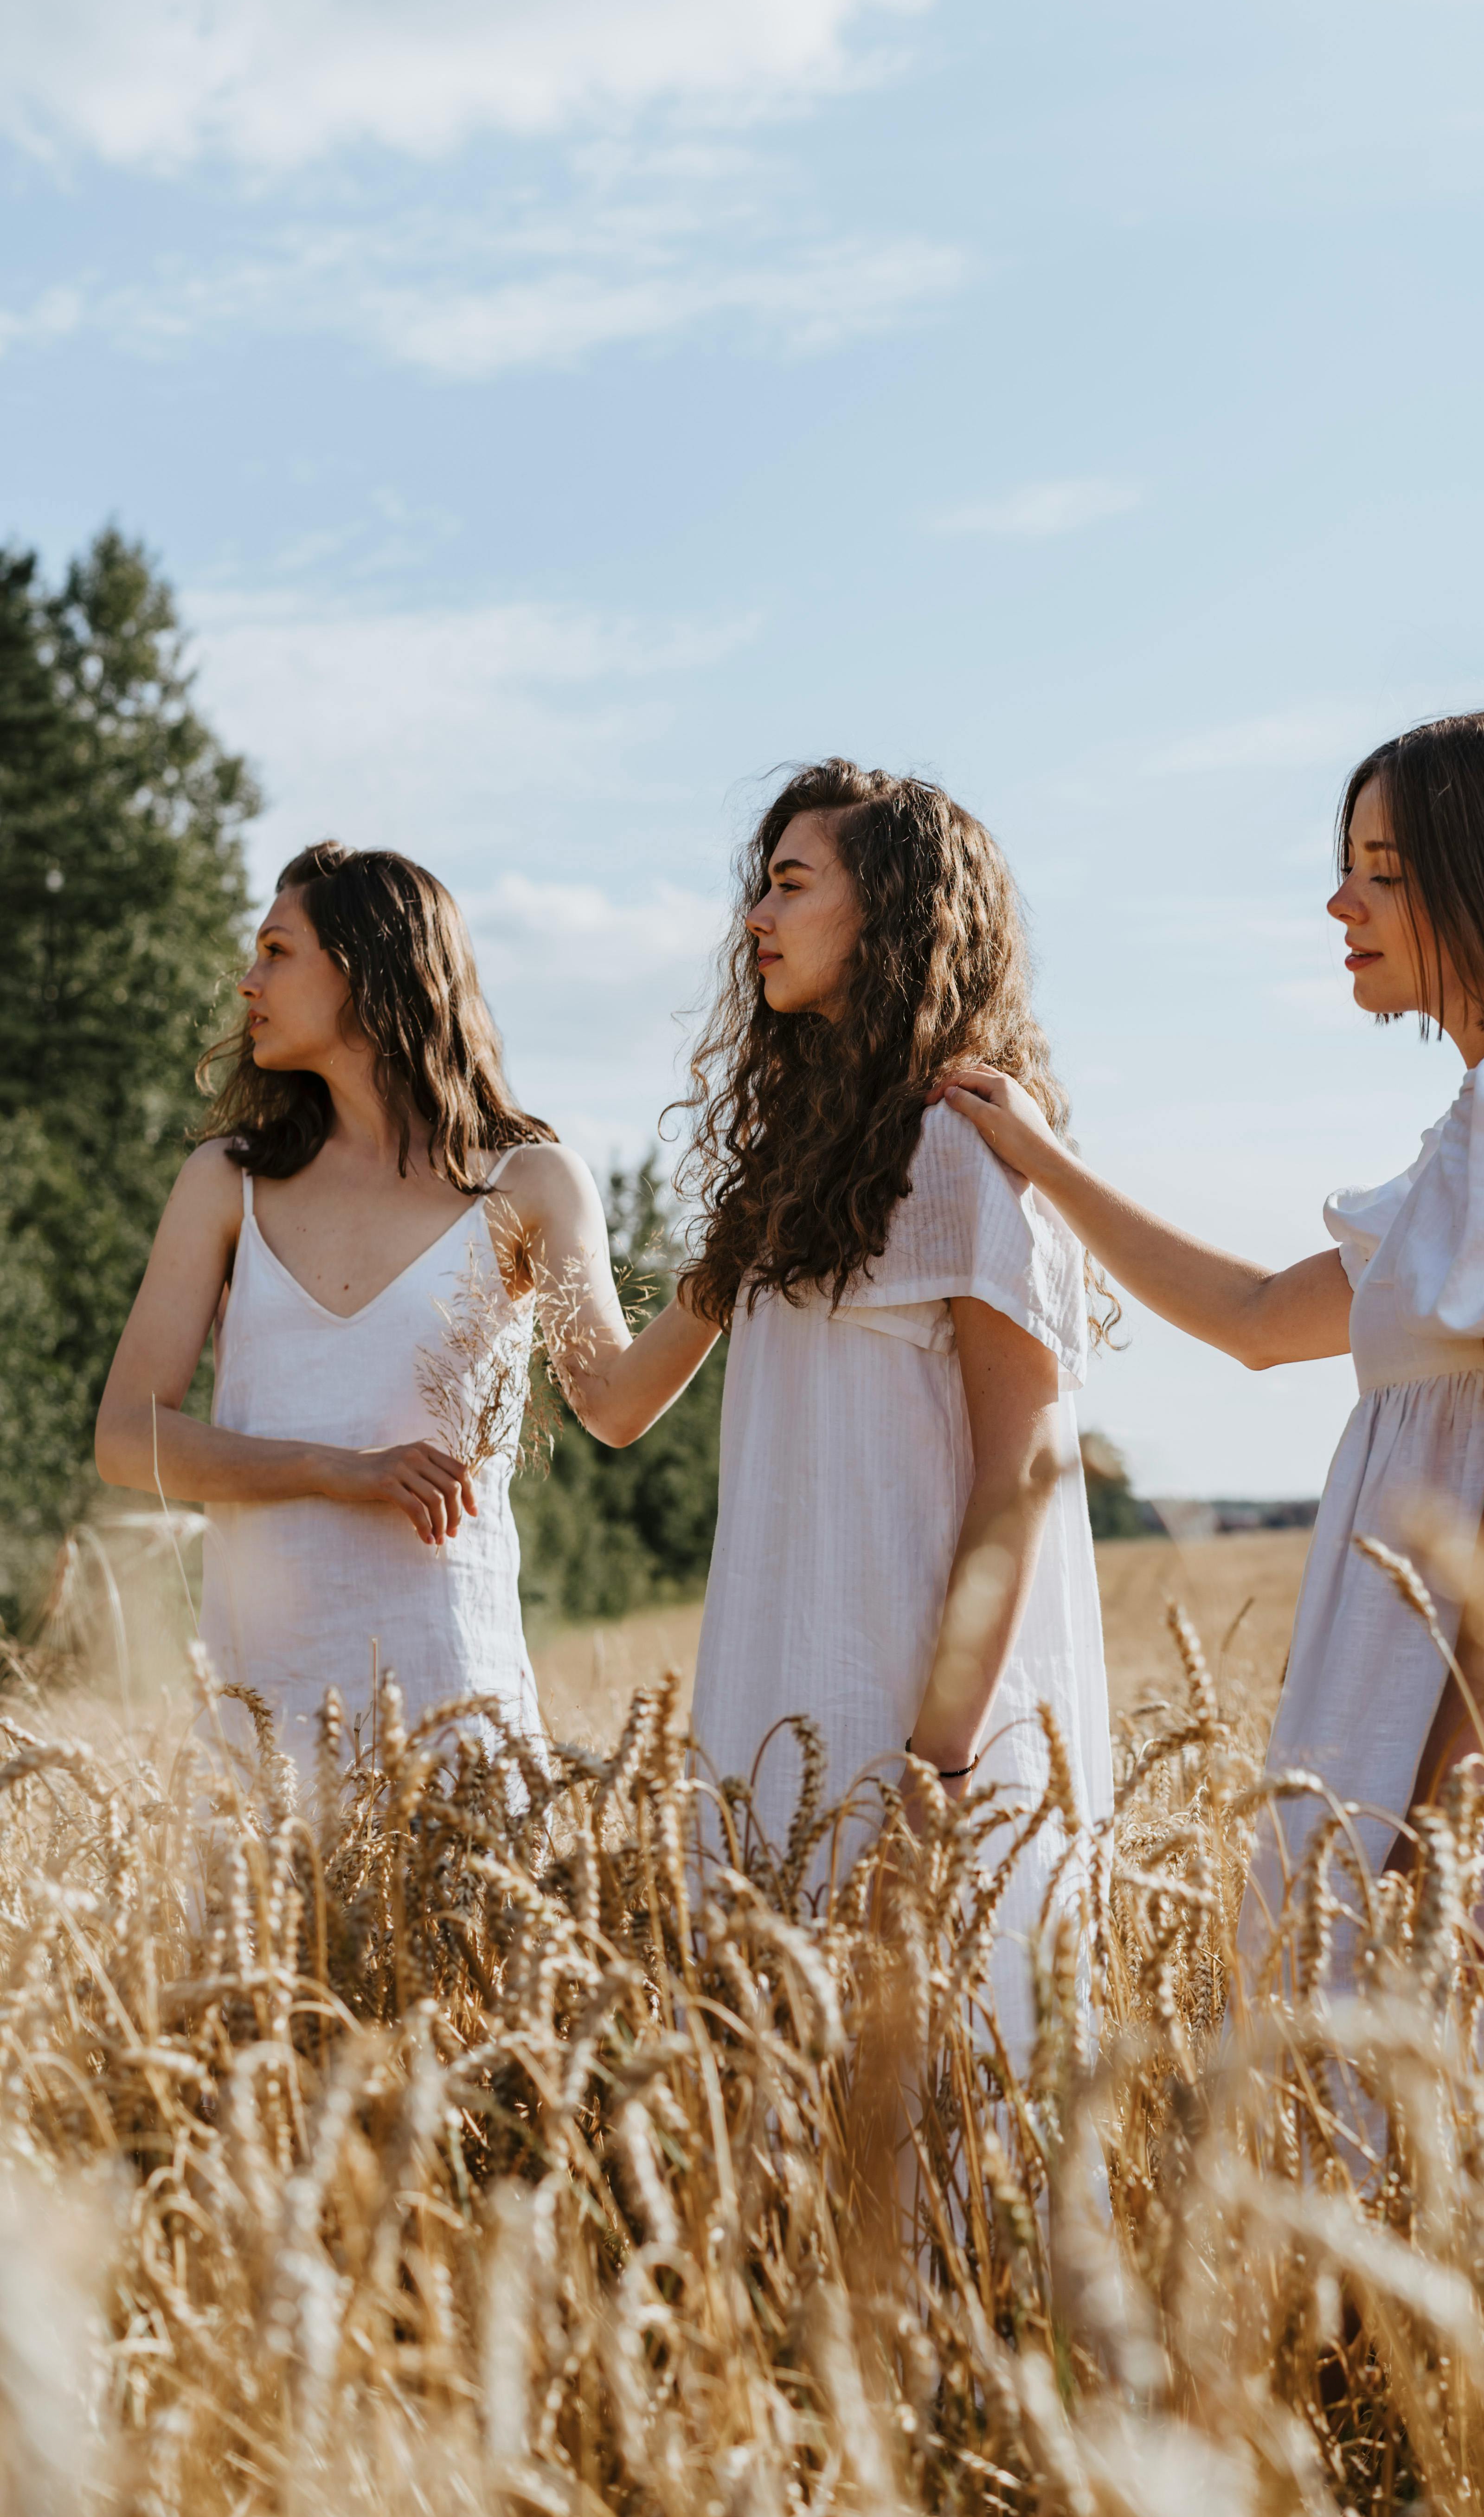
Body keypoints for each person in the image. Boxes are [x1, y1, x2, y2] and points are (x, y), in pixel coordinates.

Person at [938, 710, 1484, 1946]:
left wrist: (1439, 1809)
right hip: (1440, 1705)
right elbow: (1258, 1318)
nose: (1340, 904)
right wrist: (1040, 1161)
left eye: (1385, 871)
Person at [95, 842, 713, 1770]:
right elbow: (126, 1439)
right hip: (261, 1711)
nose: (246, 981)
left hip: (452, 1693)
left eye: (276, 951)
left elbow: (615, 1407)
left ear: (365, 967)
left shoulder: (528, 1183)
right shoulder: (227, 1183)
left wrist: (726, 1274)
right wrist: (335, 1469)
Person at [678, 761, 1113, 2028]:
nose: (756, 918)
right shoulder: (792, 1179)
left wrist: (934, 1776)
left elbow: (1018, 1481)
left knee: (935, 2158)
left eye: (792, 885)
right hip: (775, 1718)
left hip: (916, 1742)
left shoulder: (966, 1152)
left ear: (896, 917)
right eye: (760, 888)